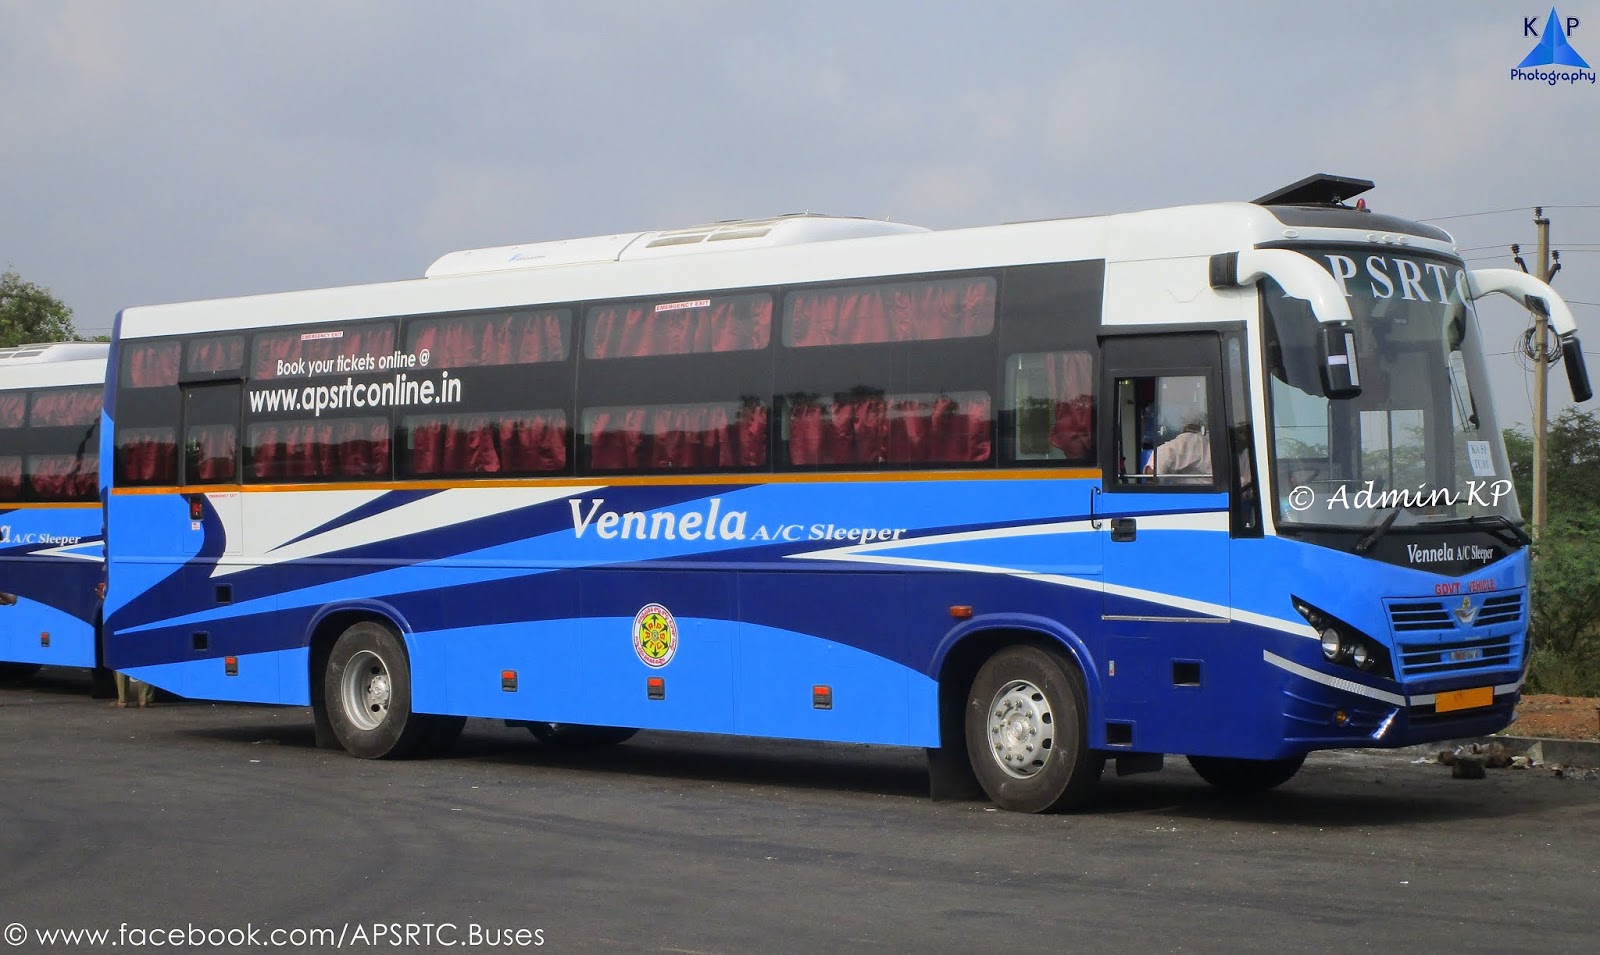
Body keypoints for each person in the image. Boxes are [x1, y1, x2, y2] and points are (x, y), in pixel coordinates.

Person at [1144, 418, 1212, 484]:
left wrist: (1151, 485)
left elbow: (1160, 455)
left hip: (1198, 492)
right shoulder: (1208, 439)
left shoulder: (1192, 440)